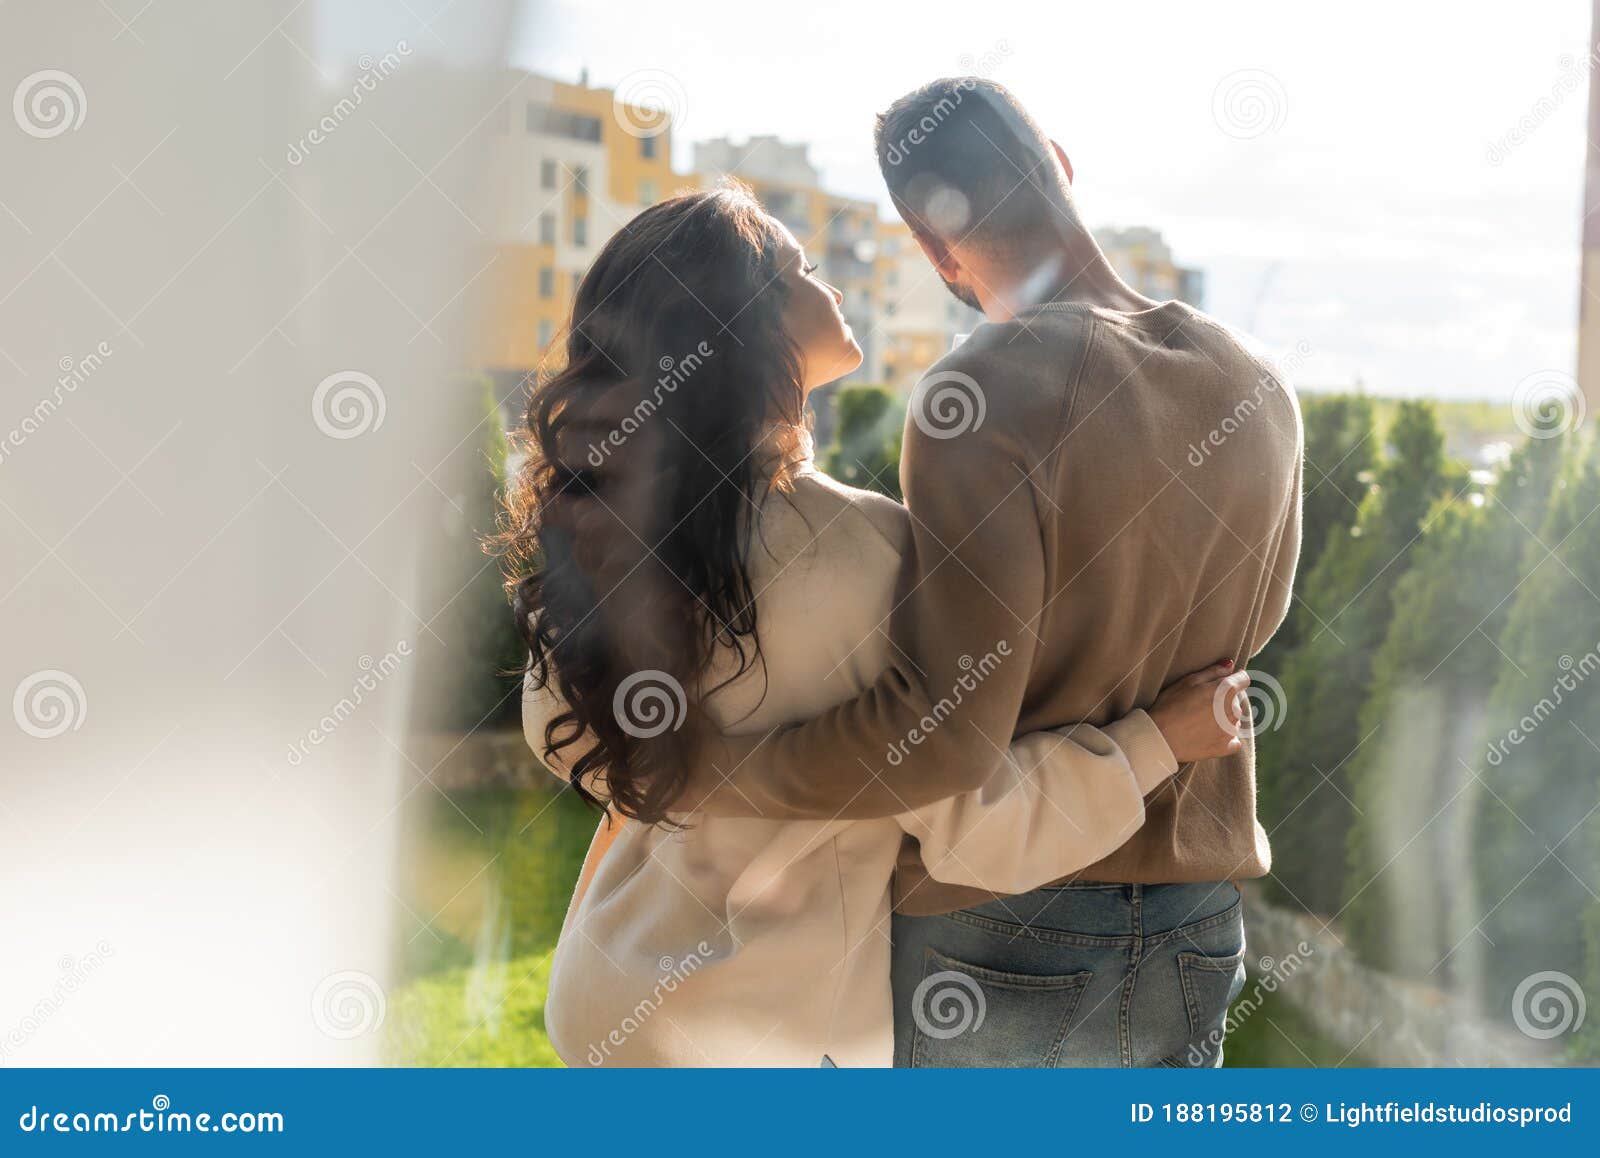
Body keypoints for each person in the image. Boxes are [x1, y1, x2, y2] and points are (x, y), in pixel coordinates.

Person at [504, 185, 1252, 1066]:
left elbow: (558, 732)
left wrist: (694, 777)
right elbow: (970, 820)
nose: (836, 289)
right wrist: (1158, 743)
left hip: (608, 996)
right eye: (805, 271)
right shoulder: (869, 553)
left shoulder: (606, 525)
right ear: (754, 322)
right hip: (763, 1036)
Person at [676, 79, 1303, 1067]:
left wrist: (704, 771)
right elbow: (1246, 645)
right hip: (1198, 909)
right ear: (1058, 161)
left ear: (931, 247)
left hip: (1008, 920)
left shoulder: (981, 392)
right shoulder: (1256, 382)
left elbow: (941, 734)